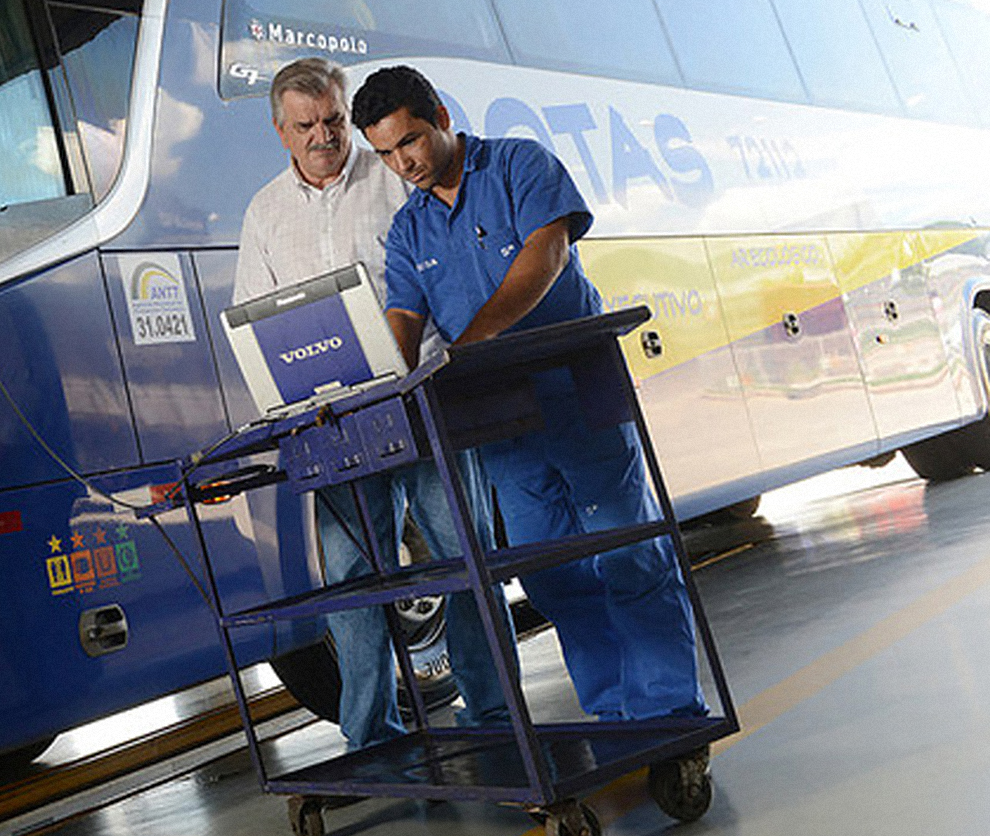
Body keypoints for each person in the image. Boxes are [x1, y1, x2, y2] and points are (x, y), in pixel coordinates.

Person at [354, 63, 707, 723]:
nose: (402, 163)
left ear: (439, 116)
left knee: (626, 548)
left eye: (409, 141)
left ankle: (666, 710)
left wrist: (473, 341)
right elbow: (403, 317)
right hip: (500, 419)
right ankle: (611, 709)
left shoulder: (520, 165)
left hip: (579, 389)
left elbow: (545, 255)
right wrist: (380, 384)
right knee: (550, 571)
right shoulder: (408, 230)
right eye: (385, 154)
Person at [234, 57, 514, 750]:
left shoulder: (391, 181)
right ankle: (372, 737)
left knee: (463, 557)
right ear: (280, 131)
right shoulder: (264, 213)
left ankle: (495, 715)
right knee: (354, 583)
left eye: (332, 119)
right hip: (333, 426)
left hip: (420, 399)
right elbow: (252, 315)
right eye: (306, 126)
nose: (324, 136)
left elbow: (443, 277)